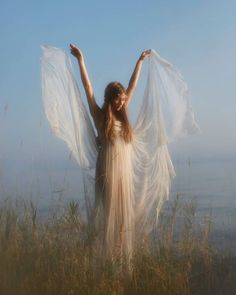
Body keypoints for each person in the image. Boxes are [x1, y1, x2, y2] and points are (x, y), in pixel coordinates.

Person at [70, 44, 151, 261]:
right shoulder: (100, 116)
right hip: (106, 172)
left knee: (124, 217)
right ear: (109, 98)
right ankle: (105, 259)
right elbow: (87, 88)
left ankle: (118, 256)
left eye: (124, 99)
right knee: (107, 218)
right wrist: (81, 60)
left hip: (123, 173)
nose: (122, 103)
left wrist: (140, 61)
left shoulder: (122, 114)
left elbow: (133, 85)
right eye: (119, 99)